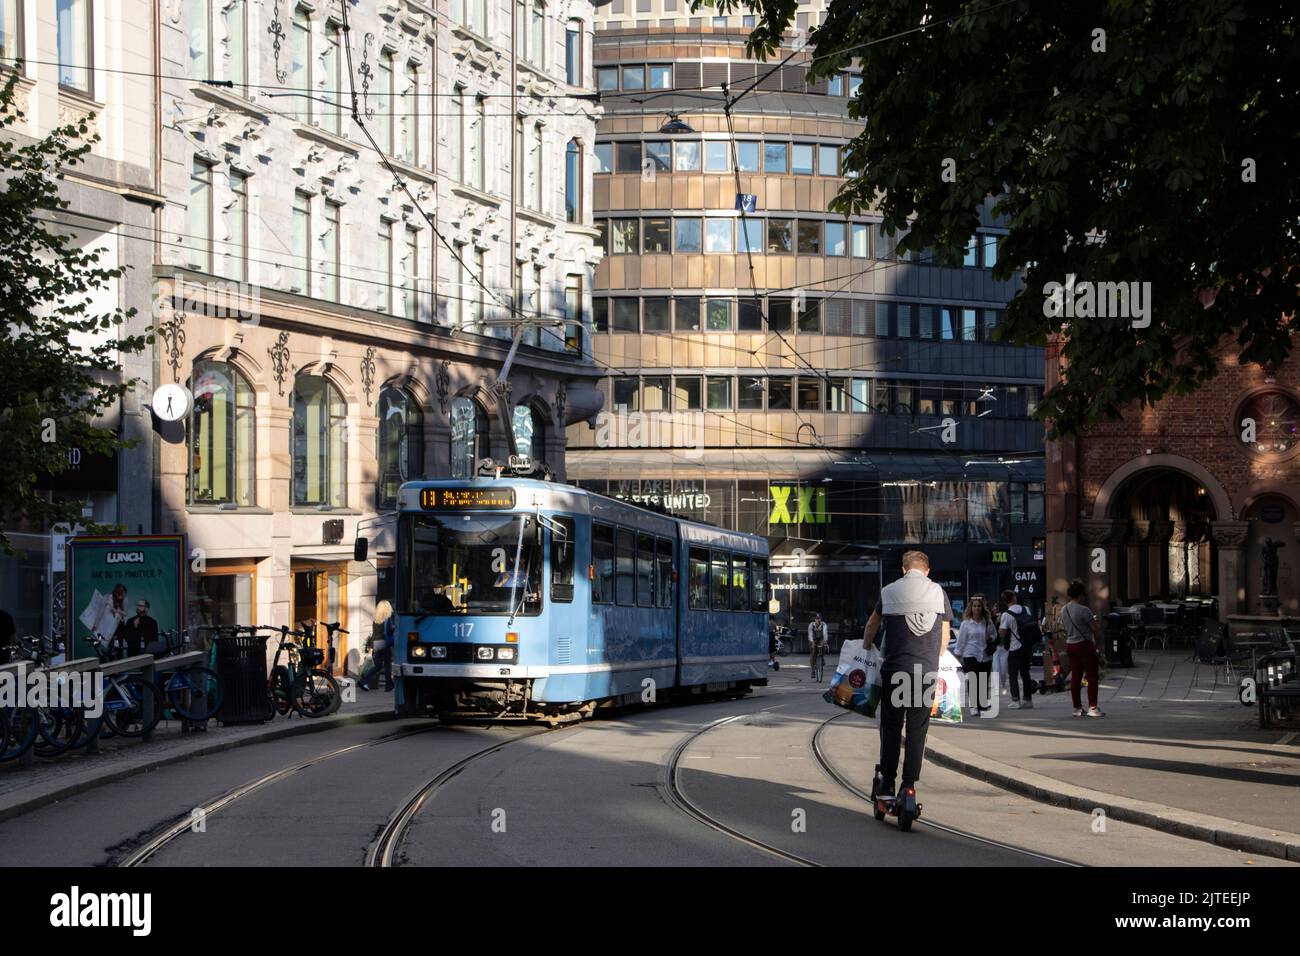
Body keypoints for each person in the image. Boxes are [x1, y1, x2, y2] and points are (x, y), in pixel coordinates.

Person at [865, 550, 952, 805]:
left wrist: (865, 647)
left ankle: (887, 781)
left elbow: (872, 624)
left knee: (891, 726)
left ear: (903, 570)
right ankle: (909, 785)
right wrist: (933, 658)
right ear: (927, 571)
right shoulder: (939, 593)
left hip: (895, 670)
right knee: (917, 730)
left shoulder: (889, 591)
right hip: (924, 673)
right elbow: (945, 635)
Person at [1060, 579, 1104, 717]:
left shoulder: (1063, 609)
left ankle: (1077, 708)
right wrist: (1096, 620)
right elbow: (1095, 628)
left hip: (1070, 645)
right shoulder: (1084, 610)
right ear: (1080, 595)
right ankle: (1093, 707)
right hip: (1084, 645)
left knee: (1076, 677)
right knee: (1092, 676)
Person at [954, 594, 995, 716]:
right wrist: (957, 655)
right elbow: (961, 641)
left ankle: (982, 704)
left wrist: (990, 637)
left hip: (985, 655)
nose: (977, 608)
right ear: (971, 608)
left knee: (983, 680)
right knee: (972, 681)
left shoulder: (988, 622)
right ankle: (973, 707)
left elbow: (994, 635)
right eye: (974, 606)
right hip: (970, 654)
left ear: (983, 608)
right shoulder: (966, 624)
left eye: (979, 606)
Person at [998, 589, 1034, 709]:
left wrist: (1000, 623)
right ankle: (1028, 700)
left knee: (1013, 674)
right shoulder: (1026, 609)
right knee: (1025, 673)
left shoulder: (1006, 615)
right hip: (1027, 646)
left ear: (1004, 601)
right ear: (1014, 597)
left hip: (1015, 648)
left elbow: (1002, 633)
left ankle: (1016, 700)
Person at [362, 600, 395, 692]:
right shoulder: (388, 620)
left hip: (376, 643)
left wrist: (371, 647)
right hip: (384, 643)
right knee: (387, 665)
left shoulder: (376, 620)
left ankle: (364, 681)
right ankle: (389, 686)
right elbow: (389, 632)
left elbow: (374, 634)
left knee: (377, 666)